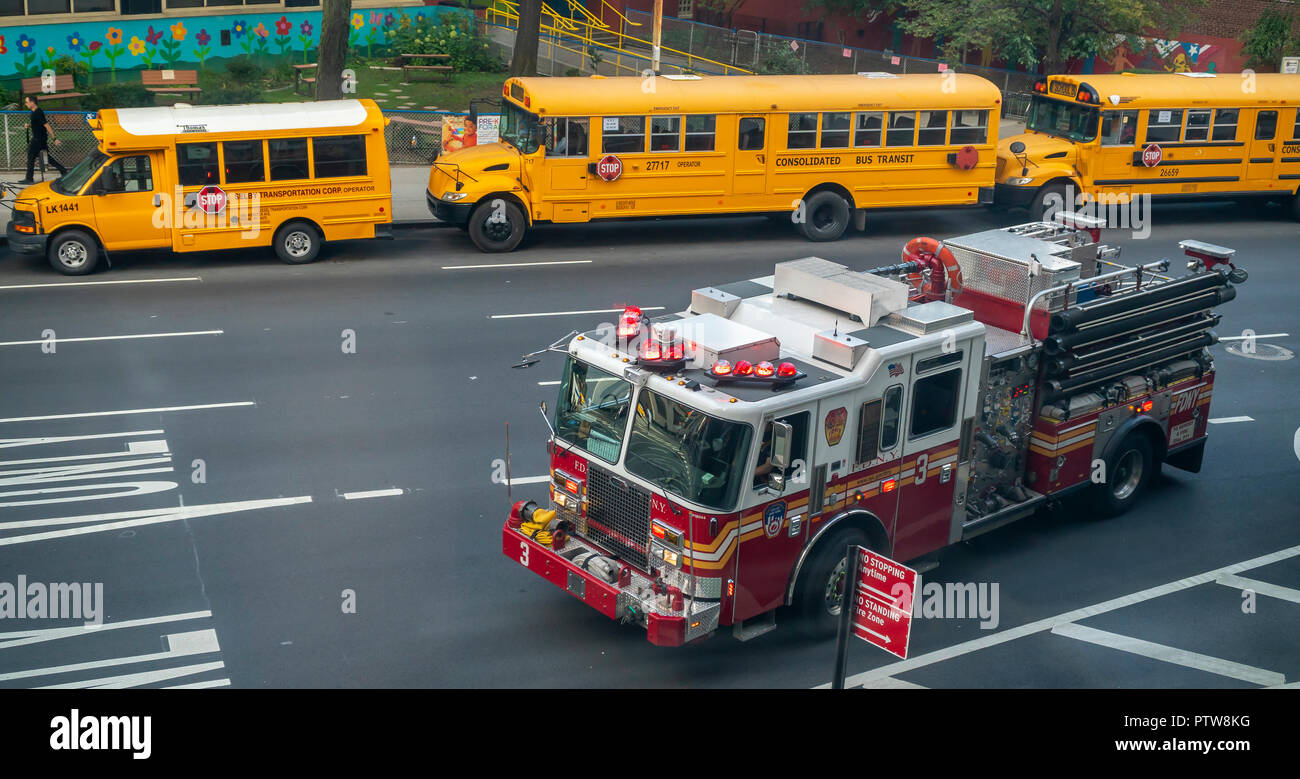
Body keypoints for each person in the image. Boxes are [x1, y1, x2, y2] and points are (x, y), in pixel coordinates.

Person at [20, 95, 67, 185]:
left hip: (38, 139)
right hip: (40, 139)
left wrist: (54, 138)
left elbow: (46, 125)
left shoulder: (38, 112)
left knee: (31, 157)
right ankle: (63, 170)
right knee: (47, 157)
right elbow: (38, 124)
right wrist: (29, 126)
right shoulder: (34, 112)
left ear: (32, 102)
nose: (25, 104)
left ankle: (29, 179)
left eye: (27, 102)